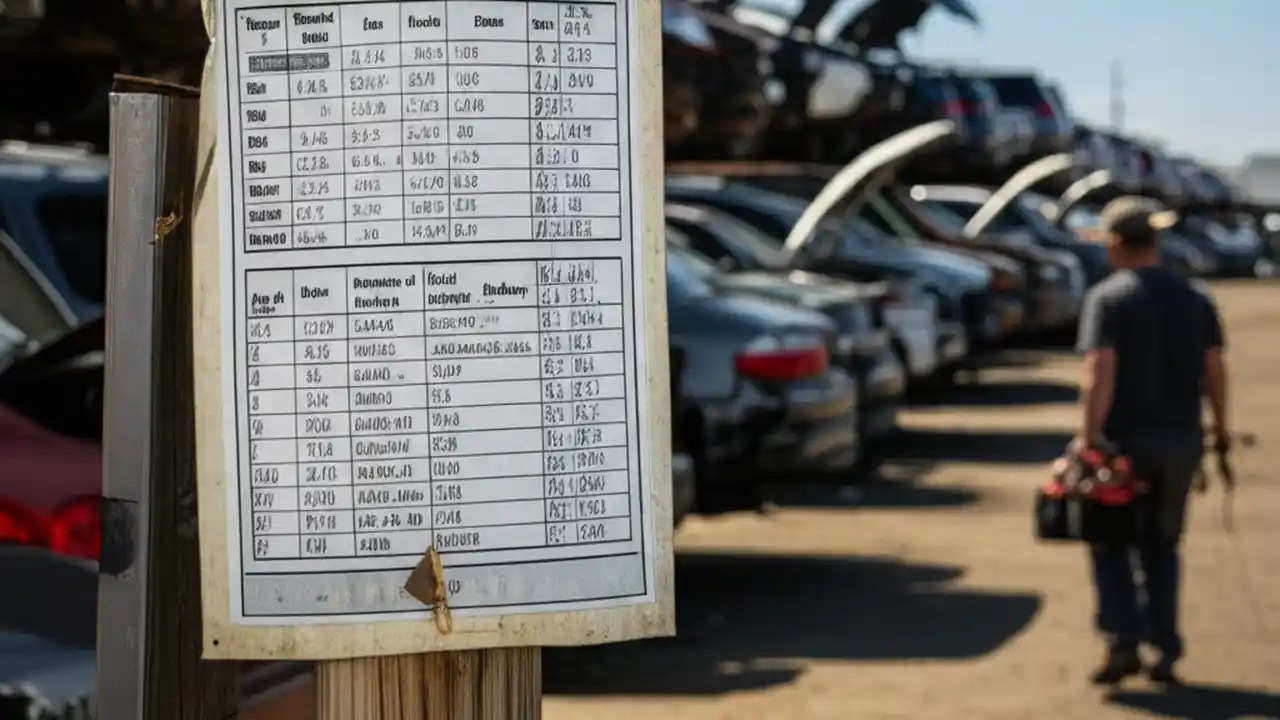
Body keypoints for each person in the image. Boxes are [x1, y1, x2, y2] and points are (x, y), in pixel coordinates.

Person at [1075, 197, 1230, 686]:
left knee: (1111, 543)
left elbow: (1099, 372)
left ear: (1117, 244)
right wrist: (1219, 434)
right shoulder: (1195, 298)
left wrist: (1089, 438)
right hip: (1181, 444)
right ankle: (1164, 648)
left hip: (1123, 447)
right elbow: (1215, 371)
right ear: (1155, 241)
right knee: (1163, 546)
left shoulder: (1109, 298)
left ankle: (1122, 642)